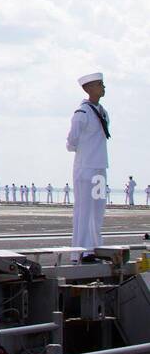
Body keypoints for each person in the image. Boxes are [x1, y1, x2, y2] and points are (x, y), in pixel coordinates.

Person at [68, 72, 110, 263]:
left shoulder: (102, 111)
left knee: (98, 209)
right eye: (99, 84)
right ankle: (81, 251)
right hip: (86, 167)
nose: (103, 87)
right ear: (88, 88)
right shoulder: (82, 113)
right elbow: (71, 142)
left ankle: (94, 247)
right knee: (84, 210)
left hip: (100, 166)